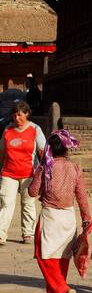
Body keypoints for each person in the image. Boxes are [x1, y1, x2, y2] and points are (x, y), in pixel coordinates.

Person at [29, 128, 92, 293]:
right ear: (66, 148)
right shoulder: (75, 168)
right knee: (62, 257)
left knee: (44, 256)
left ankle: (62, 290)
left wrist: (38, 173)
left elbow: (32, 192)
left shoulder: (45, 166)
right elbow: (82, 196)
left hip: (50, 217)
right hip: (68, 217)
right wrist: (86, 218)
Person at [0, 100, 45, 246]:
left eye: (20, 115)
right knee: (6, 204)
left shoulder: (35, 129)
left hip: (29, 173)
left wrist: (43, 173)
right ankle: (1, 235)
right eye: (14, 116)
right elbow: (1, 152)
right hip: (8, 173)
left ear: (27, 113)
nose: (16, 119)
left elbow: (42, 151)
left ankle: (28, 234)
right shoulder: (7, 130)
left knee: (28, 204)